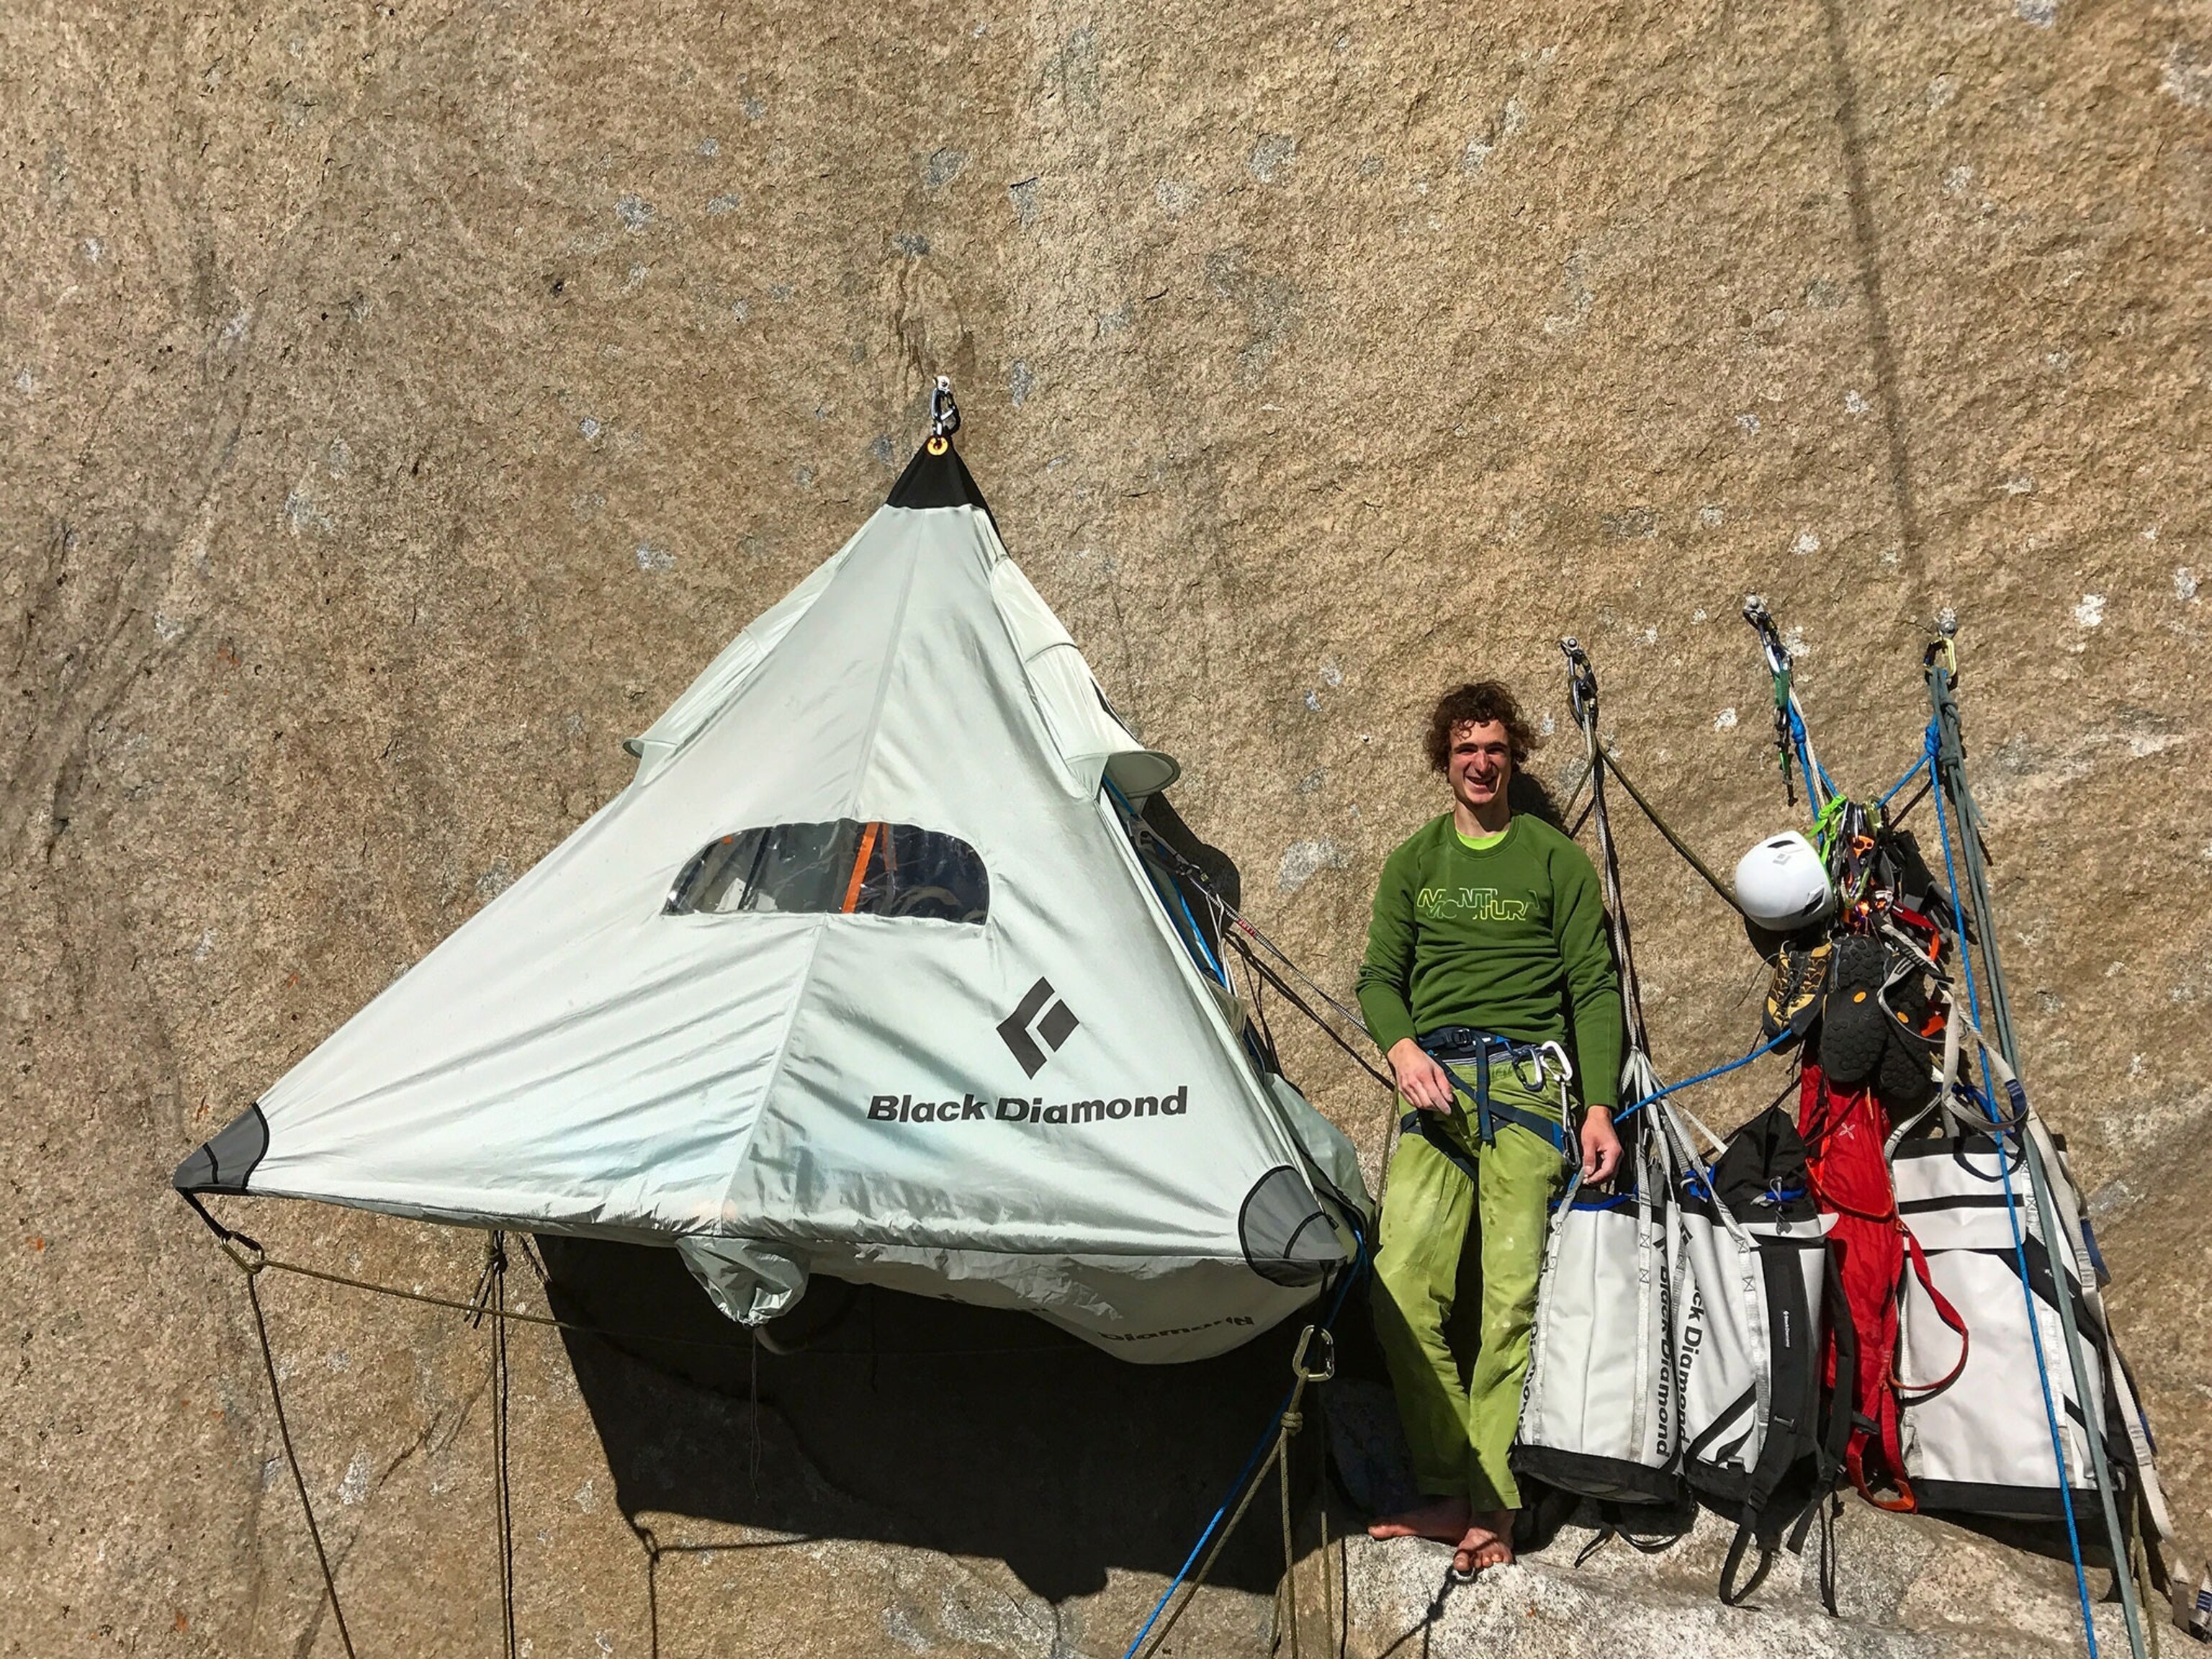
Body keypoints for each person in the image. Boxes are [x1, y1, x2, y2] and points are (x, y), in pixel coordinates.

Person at [1355, 680, 1624, 1576]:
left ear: (1514, 760)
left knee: (1510, 1299)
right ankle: (1447, 1487)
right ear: (1445, 760)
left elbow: (1592, 987)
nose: (1481, 763)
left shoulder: (1555, 862)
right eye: (1466, 748)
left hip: (1527, 1091)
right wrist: (1402, 1051)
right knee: (1398, 1284)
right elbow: (1378, 979)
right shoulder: (1416, 863)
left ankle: (1496, 1508)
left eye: (1496, 749)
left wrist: (1597, 1105)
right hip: (1433, 1091)